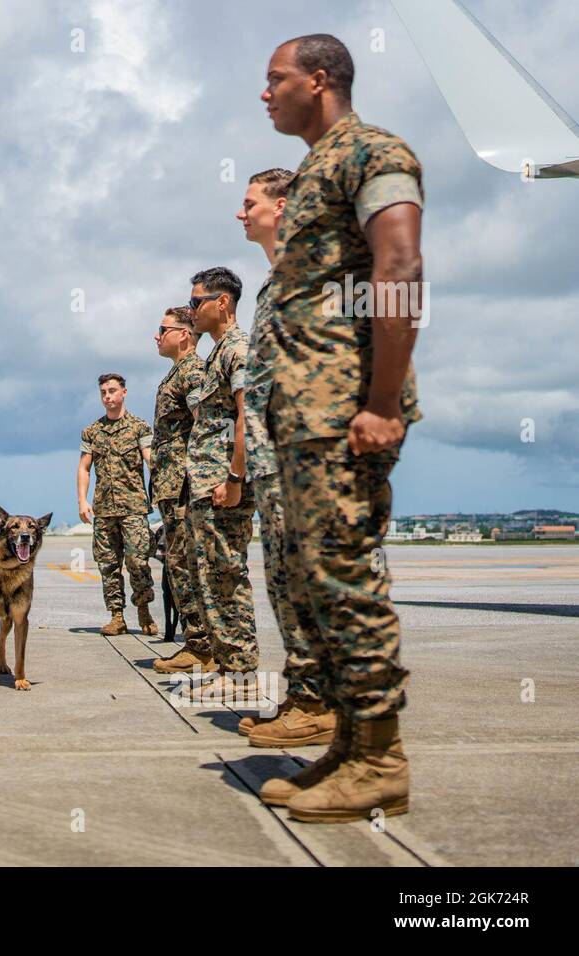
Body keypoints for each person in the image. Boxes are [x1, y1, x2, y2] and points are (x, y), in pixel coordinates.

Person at [256, 34, 422, 822]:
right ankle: (353, 746)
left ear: (319, 80)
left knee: (347, 579)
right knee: (319, 582)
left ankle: (382, 758)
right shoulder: (318, 164)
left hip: (344, 411)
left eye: (276, 80)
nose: (266, 94)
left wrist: (383, 402)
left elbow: (399, 271)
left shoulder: (374, 153)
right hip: (307, 416)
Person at [235, 168, 336, 747]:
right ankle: (307, 695)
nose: (240, 213)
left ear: (282, 205)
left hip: (303, 460)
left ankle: (319, 703)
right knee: (284, 581)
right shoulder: (277, 281)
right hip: (276, 461)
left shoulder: (313, 271)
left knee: (305, 582)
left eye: (249, 203)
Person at [180, 267, 259, 703]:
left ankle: (243, 670)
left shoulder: (238, 350)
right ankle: (229, 666)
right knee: (210, 578)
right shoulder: (215, 355)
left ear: (221, 303)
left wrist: (234, 477)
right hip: (204, 487)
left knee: (227, 575)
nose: (191, 310)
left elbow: (249, 416)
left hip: (223, 488)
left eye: (196, 302)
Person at [148, 307, 213, 674]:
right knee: (178, 564)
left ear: (184, 334)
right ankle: (198, 643)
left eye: (162, 329)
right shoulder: (177, 372)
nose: (157, 336)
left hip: (186, 488)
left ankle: (202, 647)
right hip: (172, 489)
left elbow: (204, 423)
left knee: (184, 565)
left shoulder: (191, 372)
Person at [77, 374, 157, 636]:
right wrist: (82, 501)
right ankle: (117, 617)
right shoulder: (92, 431)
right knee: (108, 565)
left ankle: (144, 611)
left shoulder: (139, 427)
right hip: (104, 510)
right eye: (103, 392)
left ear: (124, 392)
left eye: (112, 391)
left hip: (133, 508)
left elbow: (150, 460)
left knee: (137, 561)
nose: (107, 396)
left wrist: (159, 489)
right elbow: (84, 468)